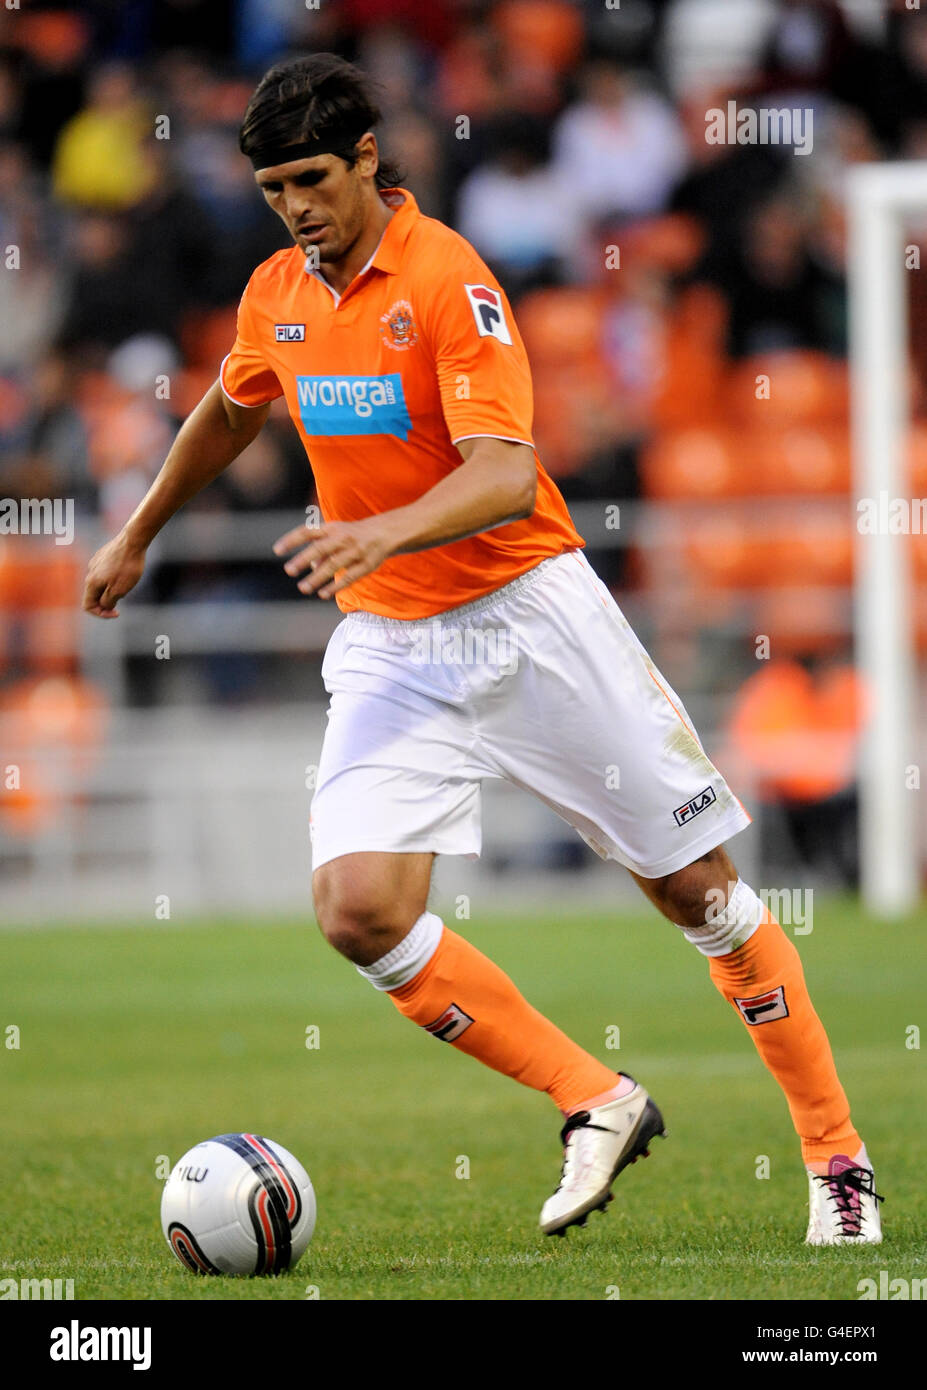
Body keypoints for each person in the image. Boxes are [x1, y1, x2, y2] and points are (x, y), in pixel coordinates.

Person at [82, 54, 882, 1244]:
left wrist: (380, 531)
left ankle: (836, 1162)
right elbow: (231, 406)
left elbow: (509, 472)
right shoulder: (275, 293)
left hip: (529, 614)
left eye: (311, 179)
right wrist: (139, 530)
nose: (295, 207)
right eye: (271, 190)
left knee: (699, 894)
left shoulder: (450, 279)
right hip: (396, 642)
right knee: (357, 911)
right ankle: (596, 1098)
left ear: (366, 161)